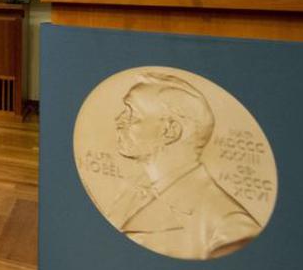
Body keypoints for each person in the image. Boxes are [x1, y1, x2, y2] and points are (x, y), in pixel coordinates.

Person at [108, 72, 261, 259]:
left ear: (170, 131)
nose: (118, 120)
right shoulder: (127, 193)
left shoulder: (230, 228)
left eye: (131, 113)